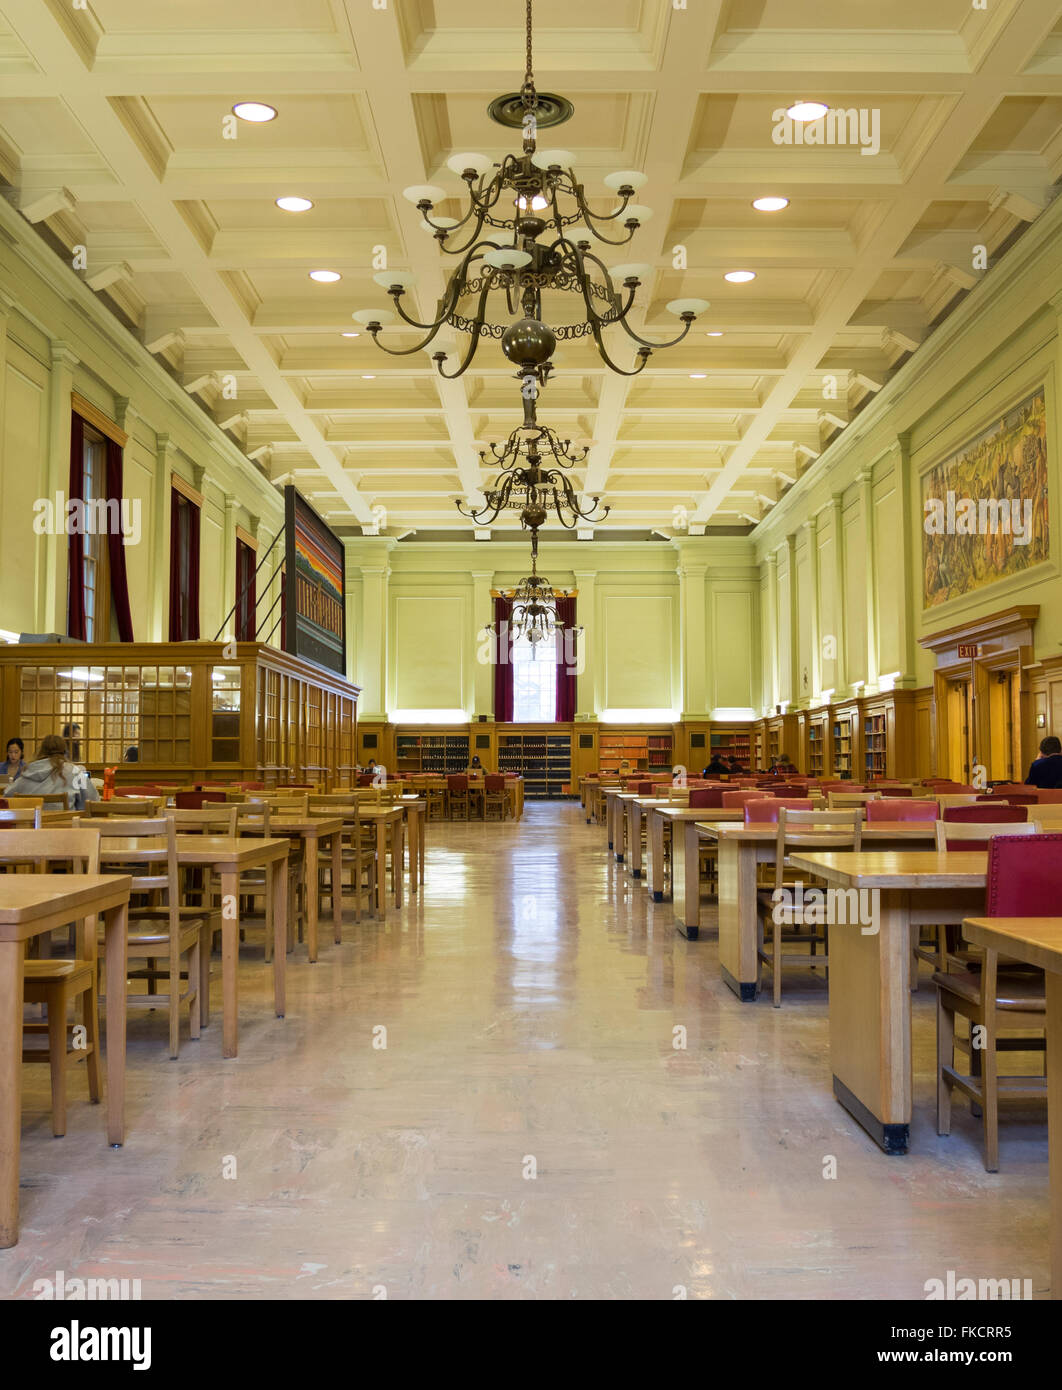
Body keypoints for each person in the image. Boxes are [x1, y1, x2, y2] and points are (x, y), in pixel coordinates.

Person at [3, 733, 100, 810]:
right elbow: (92, 800)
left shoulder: (29, 770)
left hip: (33, 830)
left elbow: (7, 796)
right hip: (66, 830)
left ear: (41, 751)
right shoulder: (74, 771)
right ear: (64, 751)